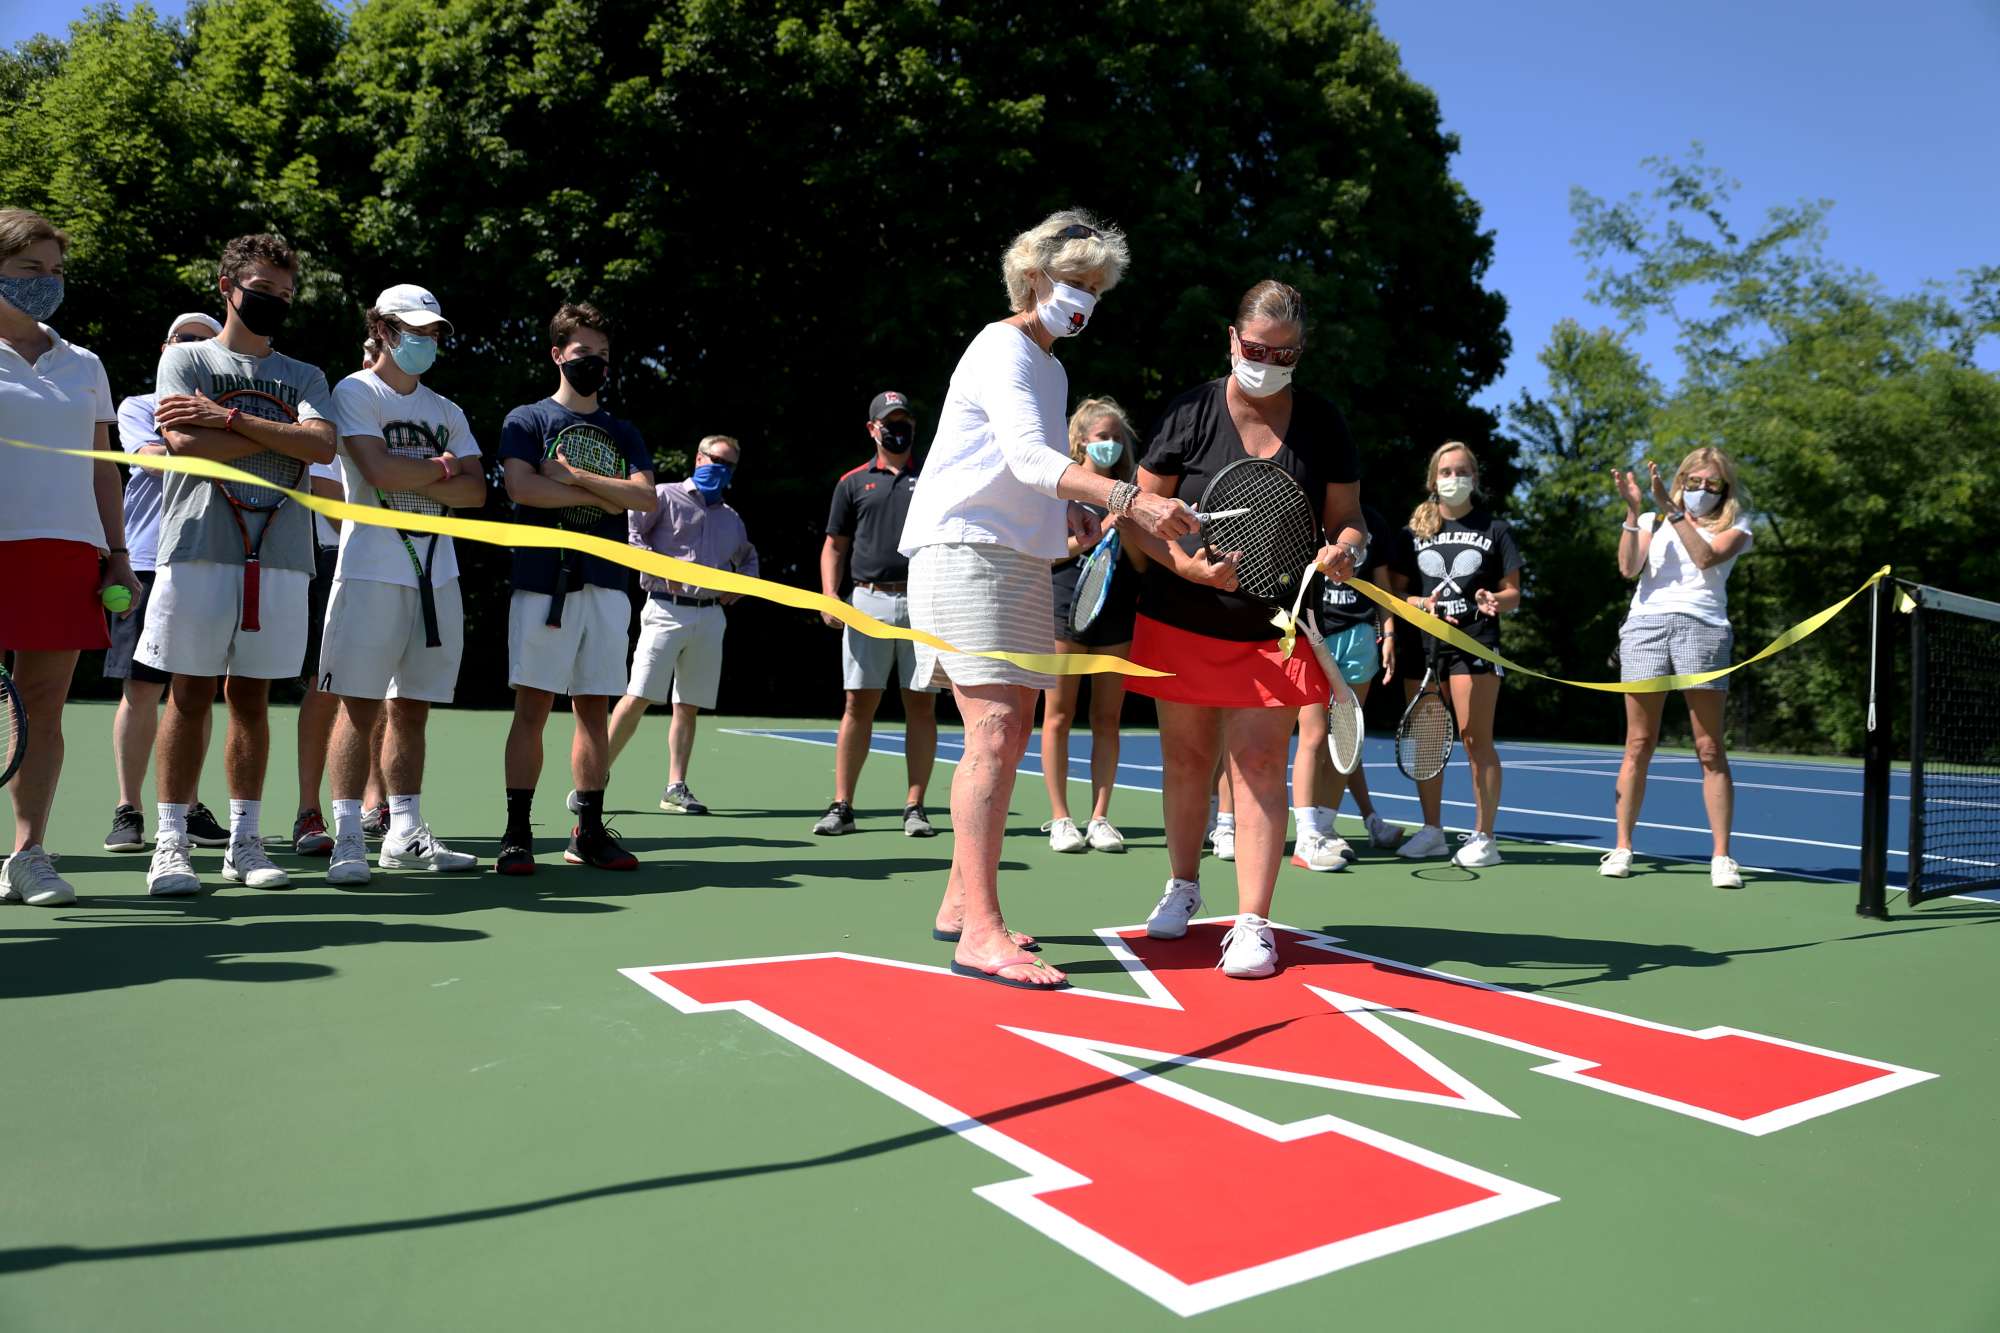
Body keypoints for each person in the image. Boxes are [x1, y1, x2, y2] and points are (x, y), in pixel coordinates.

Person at [897, 210, 1197, 990]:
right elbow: (1032, 458)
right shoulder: (1002, 347)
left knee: (1006, 726)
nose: (1085, 300)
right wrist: (1132, 498)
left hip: (1015, 558)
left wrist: (1076, 513)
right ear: (1031, 276)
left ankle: (963, 903)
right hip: (964, 552)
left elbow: (1026, 475)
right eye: (1074, 283)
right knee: (994, 728)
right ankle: (982, 933)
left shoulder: (1053, 367)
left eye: (1097, 289)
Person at [1119, 280, 1366, 979]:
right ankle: (1183, 884)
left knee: (1258, 764)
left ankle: (1254, 920)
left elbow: (1349, 518)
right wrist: (1189, 567)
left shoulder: (1322, 422)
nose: (1265, 361)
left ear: (1300, 352)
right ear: (1232, 338)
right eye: (1255, 348)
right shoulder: (1192, 410)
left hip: (1276, 625)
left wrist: (1345, 549)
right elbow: (1141, 507)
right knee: (1186, 760)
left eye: (1282, 352)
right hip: (1181, 615)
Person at [137, 232, 336, 897]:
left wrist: (227, 419)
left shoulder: (305, 375)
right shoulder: (187, 358)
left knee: (251, 698)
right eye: (262, 288)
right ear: (228, 288)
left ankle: (246, 842)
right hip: (197, 549)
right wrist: (271, 440)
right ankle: (170, 842)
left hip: (282, 558)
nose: (274, 300)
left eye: (285, 292)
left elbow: (319, 443)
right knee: (188, 694)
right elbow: (184, 442)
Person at [321, 284, 486, 883]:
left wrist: (434, 476)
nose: (425, 340)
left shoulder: (450, 411)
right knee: (359, 706)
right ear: (383, 330)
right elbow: (378, 470)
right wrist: (444, 468)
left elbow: (477, 491)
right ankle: (347, 839)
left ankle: (404, 832)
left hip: (438, 576)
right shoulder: (354, 391)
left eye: (432, 331)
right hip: (368, 569)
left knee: (412, 709)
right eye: (412, 330)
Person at [0, 209, 137, 906]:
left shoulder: (83, 363)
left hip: (65, 550)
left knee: (42, 708)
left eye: (55, 272)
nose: (46, 284)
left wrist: (117, 552)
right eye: (31, 270)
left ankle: (29, 853)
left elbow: (102, 468)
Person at [496, 302, 655, 875]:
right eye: (584, 353)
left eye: (603, 356)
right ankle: (517, 834)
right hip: (544, 580)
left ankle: (588, 832)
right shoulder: (527, 419)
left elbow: (645, 499)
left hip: (608, 585)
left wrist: (576, 478)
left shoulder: (623, 429)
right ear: (558, 354)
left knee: (594, 709)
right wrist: (605, 494)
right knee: (533, 707)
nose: (595, 364)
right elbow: (523, 489)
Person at [101, 312, 229, 856]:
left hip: (207, 558)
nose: (195, 349)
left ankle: (188, 806)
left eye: (206, 343)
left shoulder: (226, 413)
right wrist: (224, 442)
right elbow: (151, 461)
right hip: (147, 563)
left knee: (195, 693)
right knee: (142, 690)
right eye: (186, 341)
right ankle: (129, 809)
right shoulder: (137, 407)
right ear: (166, 348)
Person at [1604, 447, 1753, 888]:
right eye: (1694, 482)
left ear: (1724, 488)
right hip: (1645, 629)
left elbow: (1706, 558)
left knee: (1709, 748)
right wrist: (1635, 512)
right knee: (1638, 743)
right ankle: (1623, 846)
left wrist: (1672, 511)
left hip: (1704, 630)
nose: (1702, 490)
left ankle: (1722, 856)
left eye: (1712, 484)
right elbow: (1628, 568)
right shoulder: (1652, 521)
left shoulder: (1736, 526)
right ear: (1680, 480)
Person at [603, 433, 757, 814]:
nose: (720, 469)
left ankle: (675, 787)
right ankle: (594, 774)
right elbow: (632, 538)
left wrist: (742, 586)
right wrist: (658, 565)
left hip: (709, 615)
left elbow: (748, 557)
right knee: (638, 695)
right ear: (698, 458)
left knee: (687, 705)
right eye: (715, 459)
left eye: (729, 465)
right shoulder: (662, 495)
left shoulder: (731, 518)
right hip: (664, 609)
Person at [1388, 441, 1522, 868]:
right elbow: (1395, 592)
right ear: (1433, 480)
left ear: (1475, 479)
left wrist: (1496, 600)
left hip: (1475, 643)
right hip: (1422, 646)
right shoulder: (1413, 532)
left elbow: (1514, 593)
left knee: (1472, 738)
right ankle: (1432, 831)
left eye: (1462, 471)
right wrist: (1419, 605)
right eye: (1445, 472)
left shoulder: (1495, 528)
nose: (1453, 478)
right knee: (1428, 742)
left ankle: (1485, 837)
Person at [813, 390, 938, 838]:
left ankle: (915, 807)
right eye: (889, 420)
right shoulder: (852, 482)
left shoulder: (936, 478)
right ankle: (842, 806)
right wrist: (831, 594)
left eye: (904, 419)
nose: (898, 427)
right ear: (872, 428)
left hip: (925, 602)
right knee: (857, 702)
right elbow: (835, 545)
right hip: (867, 602)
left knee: (921, 704)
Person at [1039, 397, 1143, 853]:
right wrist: (1097, 534)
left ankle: (1100, 818)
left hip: (1117, 615)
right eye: (1104, 437)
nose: (1112, 446)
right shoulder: (1059, 489)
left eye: (1118, 439)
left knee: (1107, 718)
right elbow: (1047, 553)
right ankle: (1061, 819)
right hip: (1065, 609)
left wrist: (1130, 525)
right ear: (1081, 440)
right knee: (1058, 716)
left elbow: (1141, 564)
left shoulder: (1131, 491)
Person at [1290, 502, 1400, 869]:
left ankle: (1324, 828)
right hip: (1312, 631)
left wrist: (1389, 633)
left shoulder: (1374, 522)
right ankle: (1306, 834)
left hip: (1359, 639)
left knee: (1344, 738)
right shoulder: (1304, 512)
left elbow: (1381, 586)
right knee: (1314, 736)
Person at [290, 456, 350, 855]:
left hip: (397, 565)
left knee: (383, 686)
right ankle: (308, 811)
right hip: (333, 560)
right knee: (324, 684)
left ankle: (376, 806)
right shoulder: (338, 403)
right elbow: (323, 491)